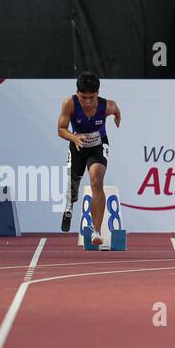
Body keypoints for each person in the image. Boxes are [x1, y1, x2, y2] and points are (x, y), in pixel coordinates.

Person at [57, 72, 121, 241]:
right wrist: (74, 137)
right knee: (73, 185)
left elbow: (116, 109)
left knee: (96, 180)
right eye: (83, 97)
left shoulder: (106, 106)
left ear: (97, 94)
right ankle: (70, 202)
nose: (87, 102)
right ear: (77, 93)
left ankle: (96, 231)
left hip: (98, 146)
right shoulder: (69, 104)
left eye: (91, 98)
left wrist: (117, 116)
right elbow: (61, 129)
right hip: (77, 145)